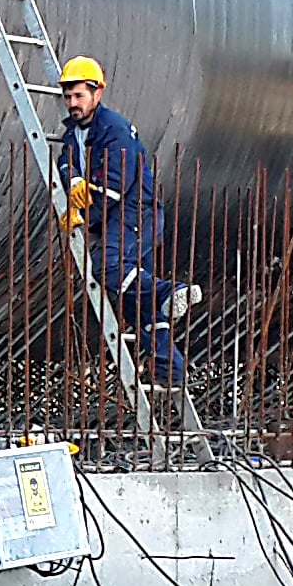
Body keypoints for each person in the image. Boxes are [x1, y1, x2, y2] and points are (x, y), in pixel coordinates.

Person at [54, 57, 200, 382]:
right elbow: (66, 160)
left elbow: (114, 188)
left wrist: (81, 214)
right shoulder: (76, 132)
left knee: (106, 265)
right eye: (68, 97)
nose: (72, 103)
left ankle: (168, 291)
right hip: (119, 215)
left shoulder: (114, 129)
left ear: (97, 93)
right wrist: (75, 180)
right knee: (132, 300)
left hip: (136, 214)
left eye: (78, 96)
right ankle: (170, 370)